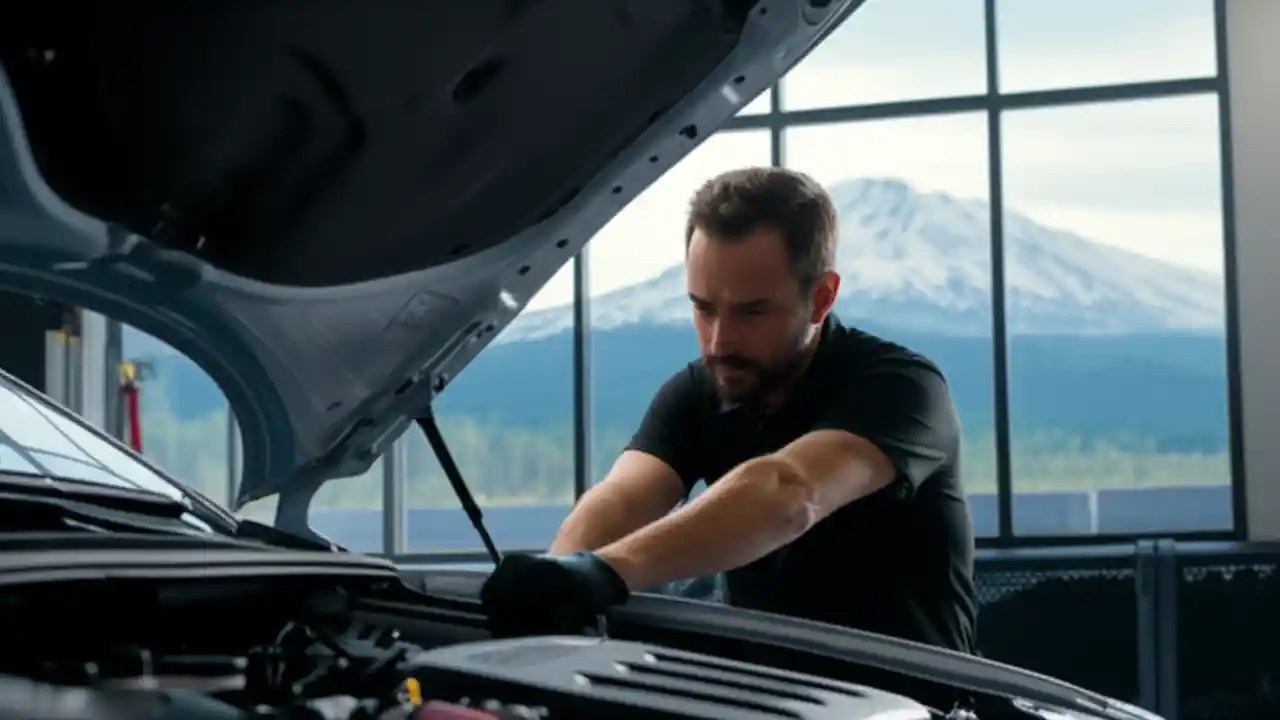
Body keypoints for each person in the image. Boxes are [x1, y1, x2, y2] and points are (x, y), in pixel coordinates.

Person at [480, 166, 977, 655]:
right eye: (703, 307)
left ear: (821, 298)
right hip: (769, 700)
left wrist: (602, 572)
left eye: (752, 311)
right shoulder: (700, 389)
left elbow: (791, 491)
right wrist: (558, 575)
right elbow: (625, 496)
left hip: (917, 703)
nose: (720, 341)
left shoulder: (903, 388)